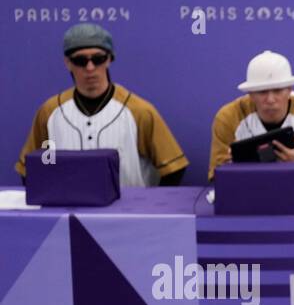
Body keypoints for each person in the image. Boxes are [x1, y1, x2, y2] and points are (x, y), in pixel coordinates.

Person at [15, 23, 188, 187]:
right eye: (80, 61)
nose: (90, 67)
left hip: (128, 214)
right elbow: (31, 169)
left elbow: (174, 168)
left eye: (98, 59)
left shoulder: (139, 112)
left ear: (109, 60)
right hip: (66, 212)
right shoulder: (50, 112)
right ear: (68, 63)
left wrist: (149, 208)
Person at [209, 51, 294, 192]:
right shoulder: (228, 118)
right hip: (250, 196)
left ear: (289, 90)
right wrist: (233, 168)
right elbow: (218, 180)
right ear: (251, 94)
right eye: (262, 91)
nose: (270, 99)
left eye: (278, 90)